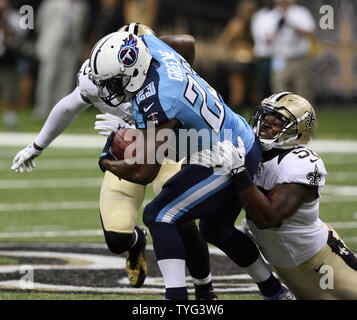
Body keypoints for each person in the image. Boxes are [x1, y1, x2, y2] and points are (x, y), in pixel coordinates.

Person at [11, 23, 217, 300]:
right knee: (116, 238)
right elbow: (70, 105)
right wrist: (37, 145)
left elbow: (185, 45)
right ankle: (136, 241)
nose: (105, 89)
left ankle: (205, 290)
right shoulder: (100, 70)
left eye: (112, 80)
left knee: (180, 219)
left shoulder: (164, 75)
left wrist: (130, 131)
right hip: (130, 154)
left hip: (170, 150)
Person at [94, 30, 294, 300]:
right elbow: (185, 41)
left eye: (115, 81)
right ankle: (274, 292)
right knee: (216, 230)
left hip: (222, 157)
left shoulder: (157, 100)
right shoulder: (149, 45)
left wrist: (107, 162)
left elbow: (144, 172)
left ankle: (176, 298)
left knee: (159, 214)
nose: (112, 89)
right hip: (240, 137)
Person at [210, 92, 357, 299]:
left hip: (323, 263)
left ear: (297, 131)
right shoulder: (251, 151)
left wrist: (239, 172)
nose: (266, 123)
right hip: (284, 265)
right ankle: (270, 290)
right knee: (214, 228)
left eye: (277, 121)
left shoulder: (302, 161)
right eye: (265, 116)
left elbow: (268, 218)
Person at [32, 0, 89, 121]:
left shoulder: (81, 6)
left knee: (66, 79)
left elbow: (82, 27)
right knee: (47, 78)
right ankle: (42, 109)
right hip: (51, 45)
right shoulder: (50, 4)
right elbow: (40, 22)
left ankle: (60, 112)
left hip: (71, 47)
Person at [270, 0, 316, 102]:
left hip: (299, 58)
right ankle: (282, 116)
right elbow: (268, 37)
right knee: (279, 90)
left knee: (302, 90)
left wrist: (293, 25)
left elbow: (310, 31)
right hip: (280, 58)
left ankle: (304, 116)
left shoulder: (300, 12)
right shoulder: (274, 14)